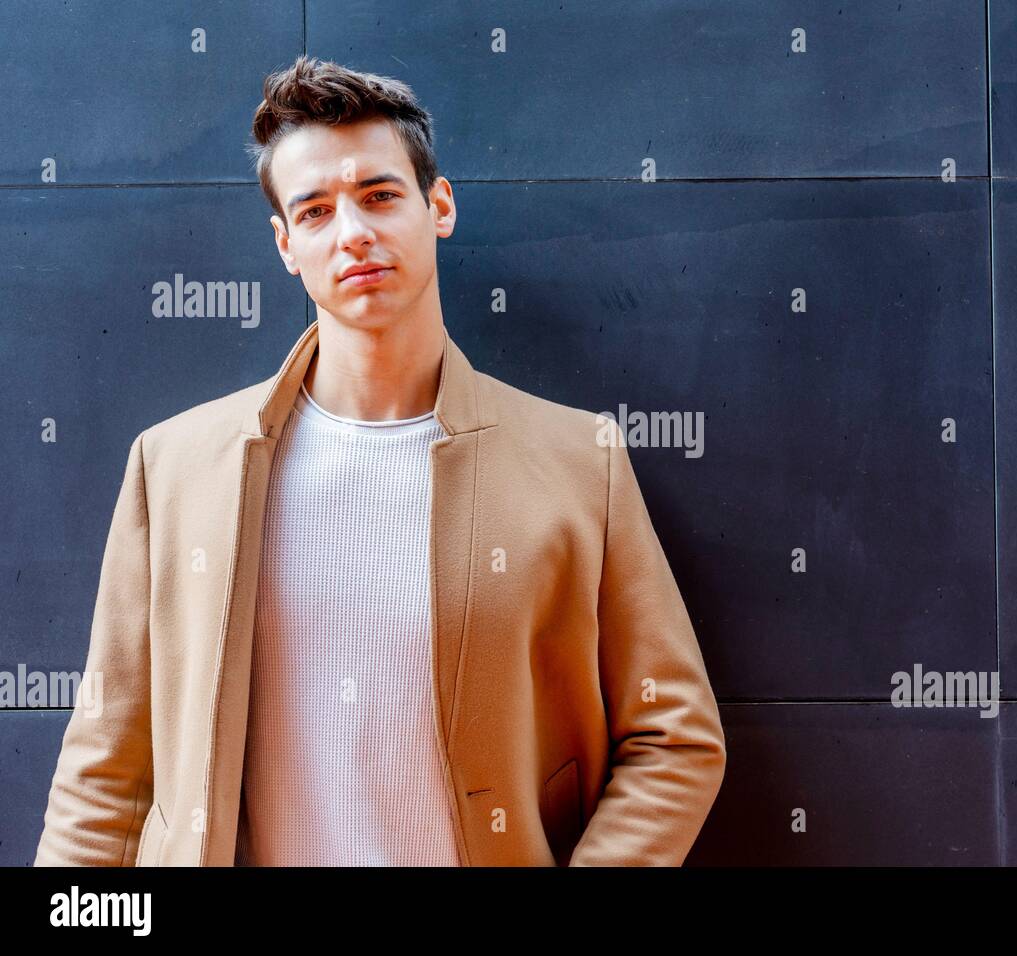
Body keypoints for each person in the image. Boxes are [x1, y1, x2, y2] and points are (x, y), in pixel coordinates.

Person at [33, 55, 726, 867]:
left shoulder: (579, 460)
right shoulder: (177, 466)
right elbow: (106, 771)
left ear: (439, 205)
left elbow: (675, 737)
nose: (353, 232)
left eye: (379, 195)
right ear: (286, 246)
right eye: (317, 210)